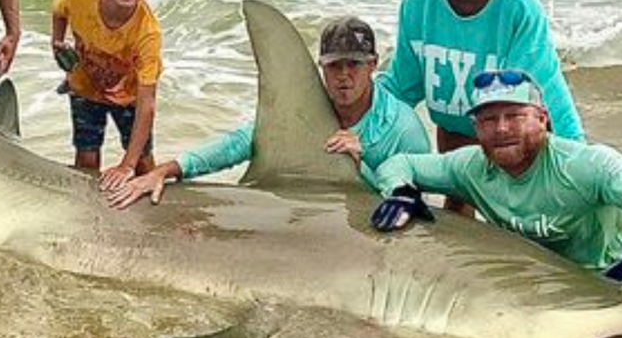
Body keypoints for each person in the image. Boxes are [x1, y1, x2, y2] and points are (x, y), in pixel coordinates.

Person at [368, 68, 622, 298]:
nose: (502, 128)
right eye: (489, 120)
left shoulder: (588, 166)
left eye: (515, 115)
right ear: (476, 127)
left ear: (542, 118)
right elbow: (399, 163)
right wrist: (401, 193)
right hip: (532, 287)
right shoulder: (471, 166)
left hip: (613, 284)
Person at [377, 0, 584, 213]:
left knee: (537, 221)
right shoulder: (418, 1)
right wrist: (352, 124)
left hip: (537, 130)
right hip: (460, 128)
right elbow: (402, 85)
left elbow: (519, 100)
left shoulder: (517, 1)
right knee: (459, 225)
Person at [106, 16, 433, 209]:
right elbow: (242, 143)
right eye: (334, 66)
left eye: (354, 65)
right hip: (298, 213)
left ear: (373, 65)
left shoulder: (404, 129)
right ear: (322, 68)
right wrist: (165, 170)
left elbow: (410, 211)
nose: (344, 76)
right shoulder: (310, 109)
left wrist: (360, 167)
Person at [51, 0, 163, 192]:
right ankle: (89, 215)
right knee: (86, 160)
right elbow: (59, 11)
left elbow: (147, 104)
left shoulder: (148, 34)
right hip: (85, 87)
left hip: (130, 98)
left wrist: (126, 165)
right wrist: (56, 43)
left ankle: (155, 216)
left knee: (143, 164)